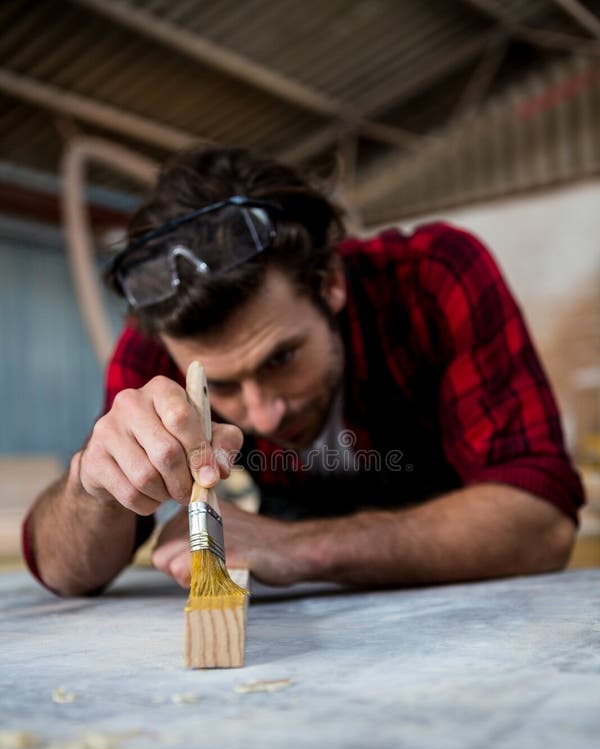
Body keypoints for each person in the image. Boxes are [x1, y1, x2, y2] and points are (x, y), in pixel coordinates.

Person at [23, 146, 584, 597]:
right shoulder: (158, 342)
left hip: (457, 559)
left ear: (330, 283)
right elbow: (64, 573)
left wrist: (299, 547)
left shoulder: (433, 277)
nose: (264, 414)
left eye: (281, 358)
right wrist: (93, 487)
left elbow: (543, 523)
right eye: (222, 386)